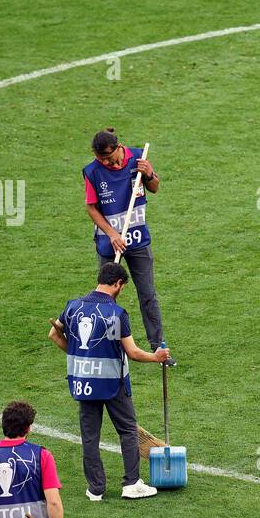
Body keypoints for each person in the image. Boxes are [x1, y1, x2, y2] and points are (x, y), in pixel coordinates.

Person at [49, 263, 171, 501]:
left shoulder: (73, 307)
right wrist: (156, 357)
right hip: (113, 383)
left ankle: (95, 489)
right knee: (127, 430)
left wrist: (80, 355)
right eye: (122, 287)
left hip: (83, 381)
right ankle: (131, 483)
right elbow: (133, 353)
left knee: (90, 435)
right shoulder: (116, 314)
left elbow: (54, 334)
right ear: (117, 284)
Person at [82, 128, 173, 362]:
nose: (103, 162)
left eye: (107, 157)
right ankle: (105, 346)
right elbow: (91, 207)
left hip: (138, 240)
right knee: (106, 296)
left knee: (148, 294)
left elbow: (154, 187)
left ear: (118, 147)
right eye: (99, 158)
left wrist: (149, 173)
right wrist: (112, 234)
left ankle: (157, 348)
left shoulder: (138, 158)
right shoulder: (92, 171)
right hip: (110, 244)